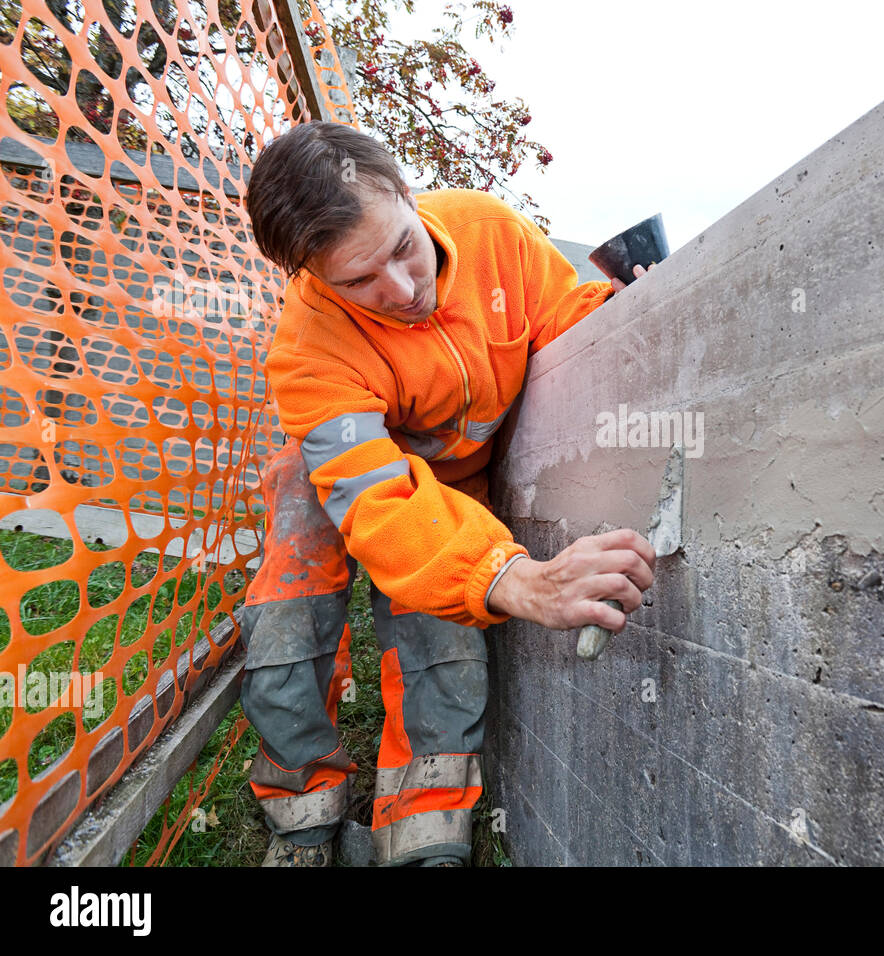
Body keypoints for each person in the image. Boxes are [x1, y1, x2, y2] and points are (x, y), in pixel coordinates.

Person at [238, 120, 656, 866]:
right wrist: (511, 576)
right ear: (309, 277)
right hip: (354, 472)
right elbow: (378, 502)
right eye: (360, 282)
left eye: (403, 248)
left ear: (405, 193)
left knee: (436, 617)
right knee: (293, 587)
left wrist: (629, 310)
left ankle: (423, 824)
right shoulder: (308, 346)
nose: (402, 291)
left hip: (453, 482)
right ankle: (300, 808)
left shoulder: (494, 235)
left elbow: (563, 324)